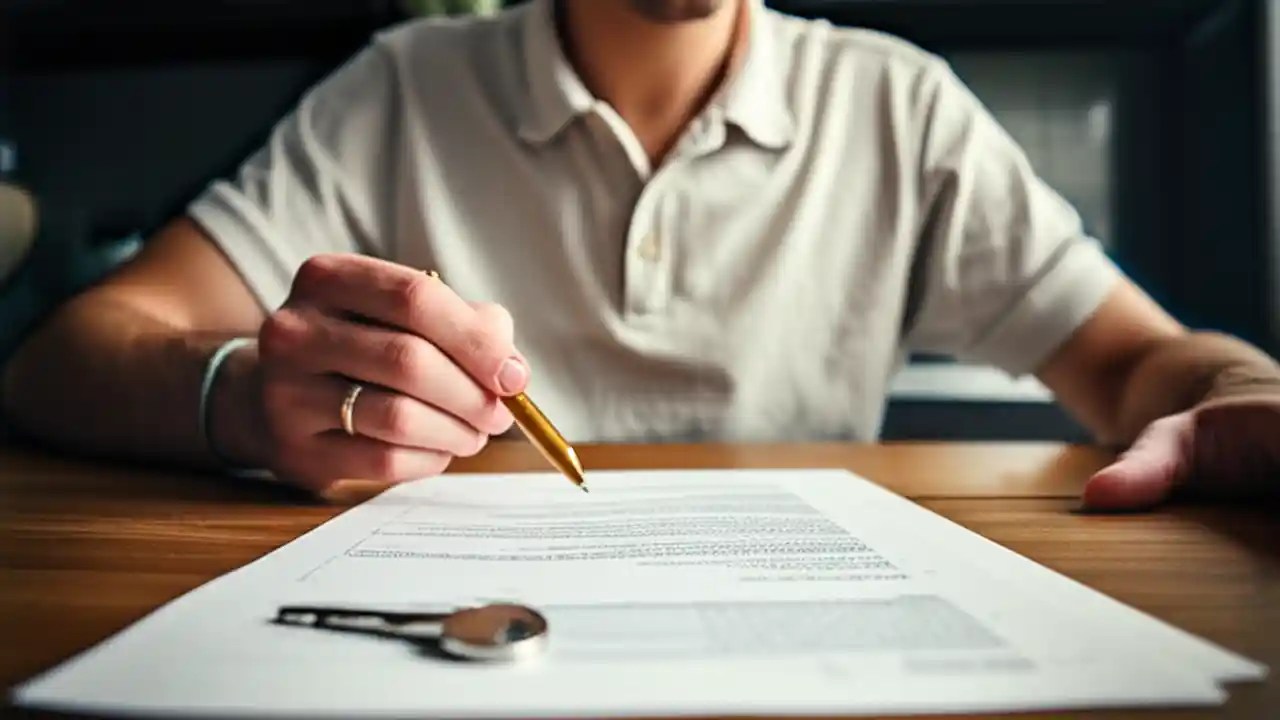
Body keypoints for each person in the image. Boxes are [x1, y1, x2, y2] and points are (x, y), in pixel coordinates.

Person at [3, 0, 1277, 508]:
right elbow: (70, 353)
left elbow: (1144, 359)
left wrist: (1241, 397)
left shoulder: (898, 105)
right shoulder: (401, 88)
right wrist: (238, 395)